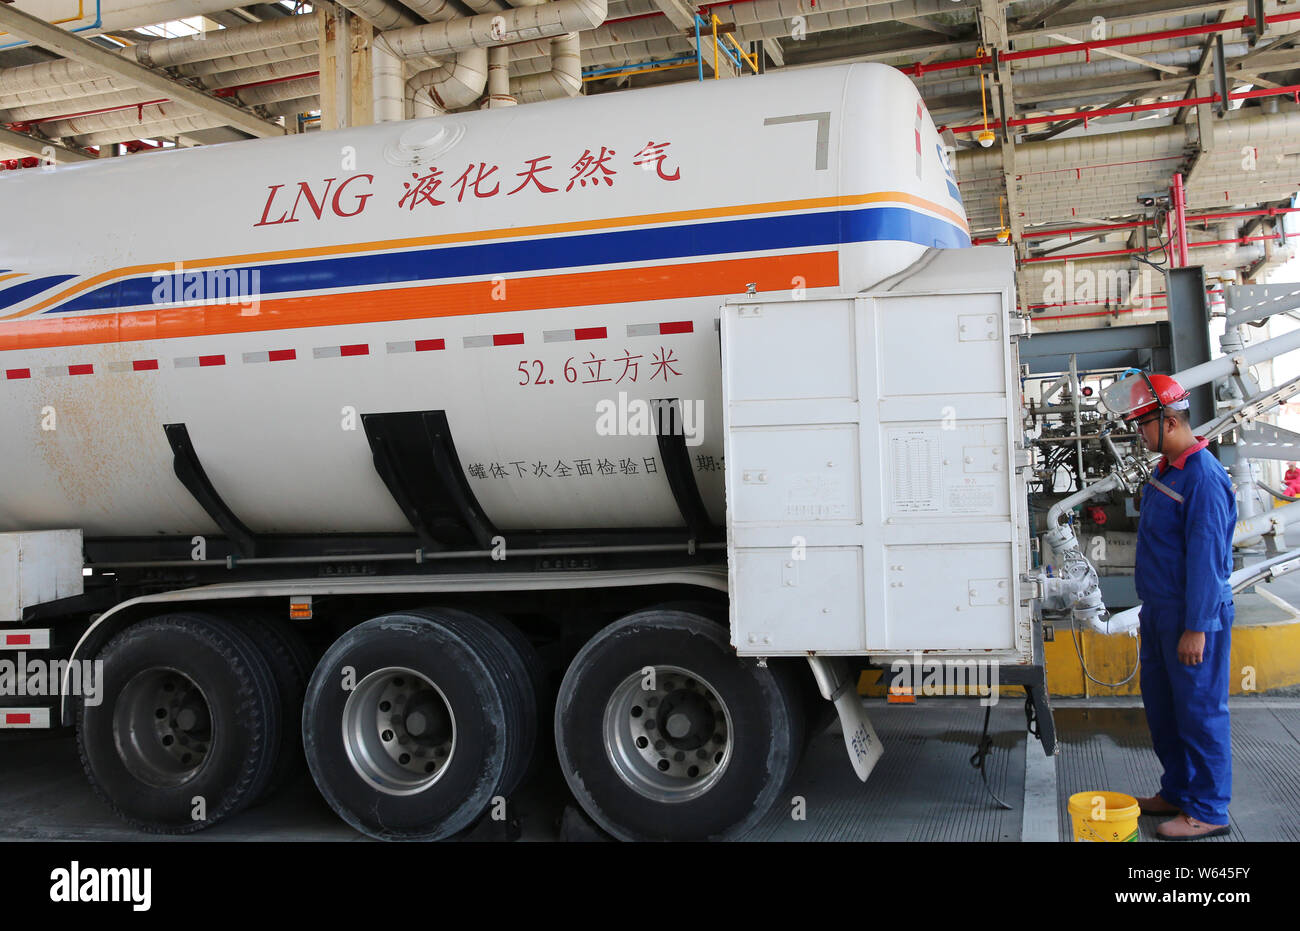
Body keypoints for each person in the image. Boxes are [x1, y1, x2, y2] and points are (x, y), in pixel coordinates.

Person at [1118, 372, 1236, 840]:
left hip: (1192, 615)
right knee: (1166, 709)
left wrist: (1198, 627)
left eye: (1142, 425)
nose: (1138, 434)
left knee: (1201, 711)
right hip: (1162, 611)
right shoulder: (1168, 471)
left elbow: (1208, 560)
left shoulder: (1203, 477)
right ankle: (1178, 791)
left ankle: (1208, 808)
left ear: (1168, 422)